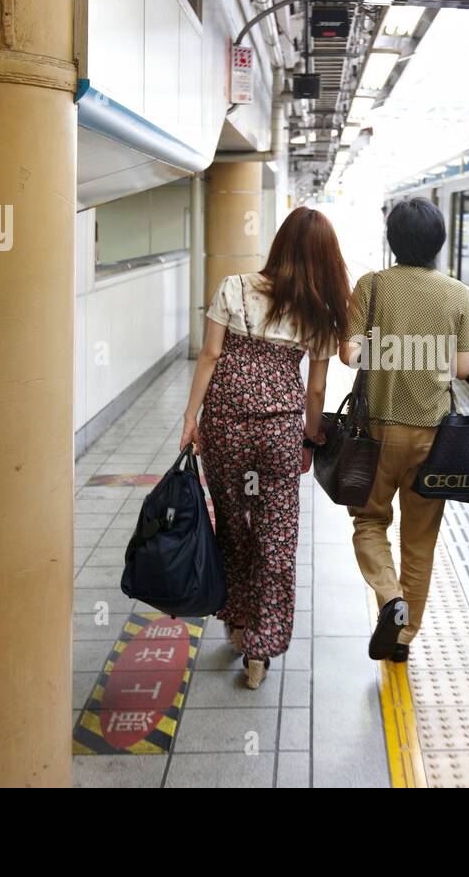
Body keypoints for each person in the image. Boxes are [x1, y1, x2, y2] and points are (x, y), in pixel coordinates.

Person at [179, 207, 350, 689]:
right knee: (275, 536)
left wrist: (191, 418)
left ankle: (235, 621)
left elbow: (210, 356)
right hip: (278, 434)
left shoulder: (233, 287)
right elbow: (315, 393)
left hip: (226, 428)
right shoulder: (320, 314)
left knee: (233, 525)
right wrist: (309, 439)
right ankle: (261, 647)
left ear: (278, 245)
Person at [338, 198, 469, 663]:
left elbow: (349, 356)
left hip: (376, 433)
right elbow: (463, 368)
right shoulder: (456, 293)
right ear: (438, 241)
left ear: (391, 240)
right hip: (433, 440)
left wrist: (381, 351)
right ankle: (403, 637)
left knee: (369, 522)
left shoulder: (371, 286)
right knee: (420, 540)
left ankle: (388, 597)